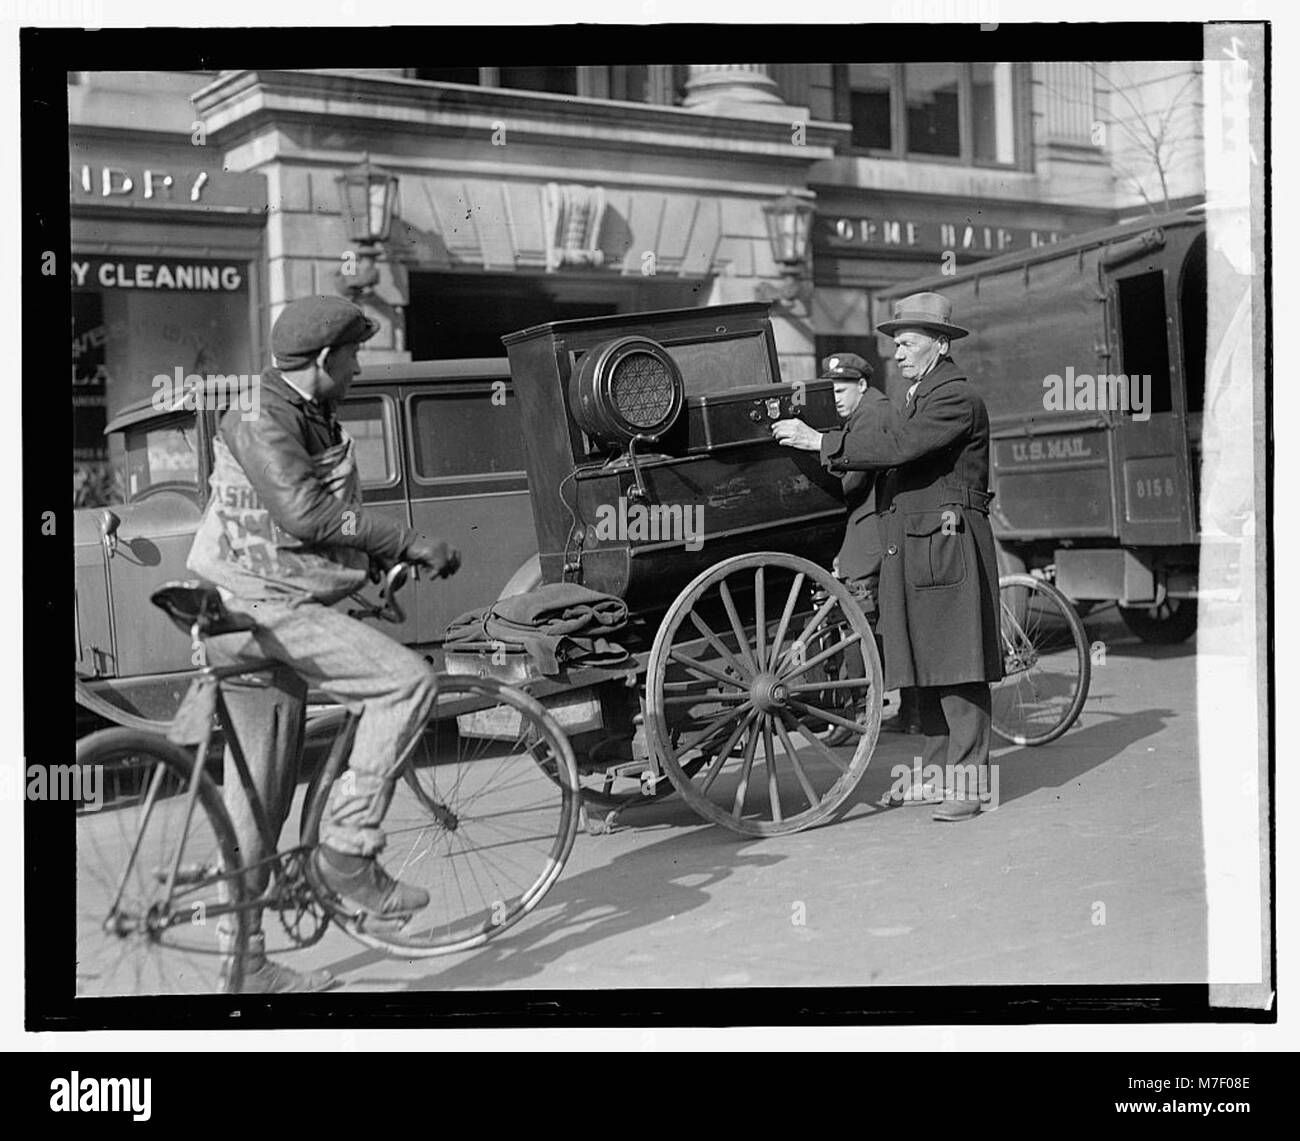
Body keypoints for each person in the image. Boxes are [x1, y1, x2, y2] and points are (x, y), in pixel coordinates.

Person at [186, 295, 461, 991]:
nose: (359, 366)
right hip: (262, 607)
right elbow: (305, 513)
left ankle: (243, 964)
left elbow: (304, 526)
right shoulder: (262, 414)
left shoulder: (303, 409)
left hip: (251, 606)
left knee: (261, 797)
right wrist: (402, 539)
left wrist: (366, 568)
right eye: (353, 355)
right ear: (321, 362)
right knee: (406, 682)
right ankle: (346, 851)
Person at [773, 292, 1002, 821]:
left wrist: (819, 442)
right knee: (928, 665)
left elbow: (899, 446)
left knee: (959, 666)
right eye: (896, 345)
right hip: (922, 547)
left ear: (939, 345)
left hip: (948, 545)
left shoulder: (953, 398)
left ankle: (969, 787)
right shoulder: (919, 394)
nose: (896, 354)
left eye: (905, 343)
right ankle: (941, 776)